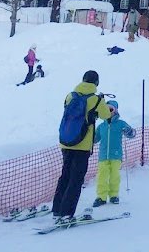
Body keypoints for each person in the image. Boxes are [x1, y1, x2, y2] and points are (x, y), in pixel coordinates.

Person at [52, 69, 113, 224]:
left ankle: (57, 210)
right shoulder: (96, 100)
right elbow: (106, 115)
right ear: (96, 83)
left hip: (66, 142)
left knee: (65, 175)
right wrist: (103, 105)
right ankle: (67, 213)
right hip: (82, 145)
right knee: (76, 179)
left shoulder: (70, 95)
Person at [92, 98, 136, 206]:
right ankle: (101, 197)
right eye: (106, 110)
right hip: (103, 155)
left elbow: (132, 134)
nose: (108, 112)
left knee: (114, 175)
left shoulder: (121, 124)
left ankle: (113, 195)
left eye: (110, 109)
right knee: (102, 176)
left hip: (116, 155)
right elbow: (95, 139)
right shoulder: (101, 126)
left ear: (115, 111)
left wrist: (129, 131)